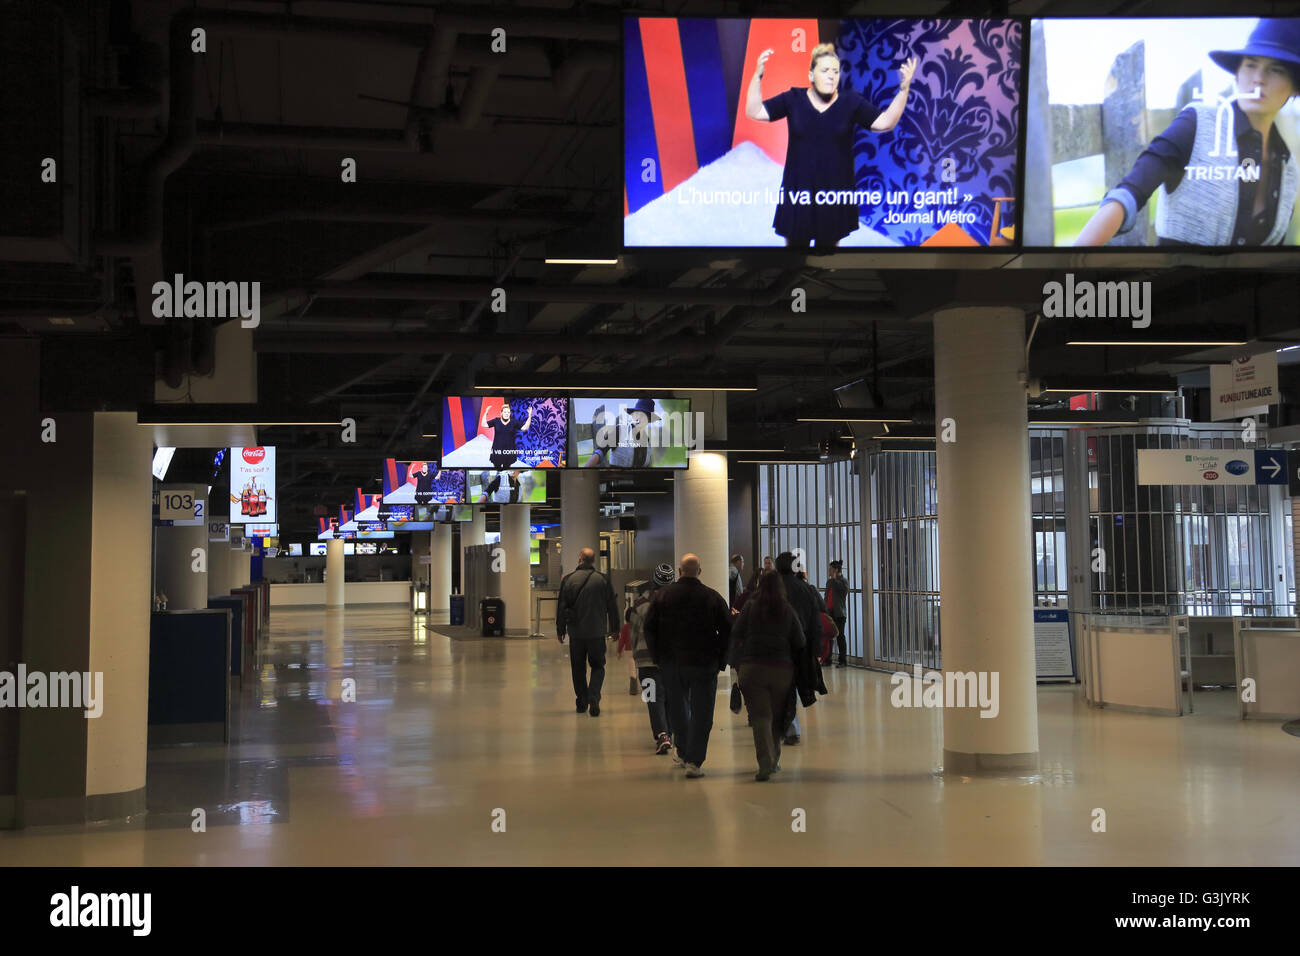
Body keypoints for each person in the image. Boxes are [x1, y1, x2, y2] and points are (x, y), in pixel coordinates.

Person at [1073, 19, 1300, 247]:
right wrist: (1073, 261)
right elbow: (1129, 194)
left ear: (1295, 88)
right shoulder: (1197, 123)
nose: (1259, 78)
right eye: (1251, 65)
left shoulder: (1289, 169)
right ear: (1237, 74)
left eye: (1276, 70)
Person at [745, 43, 917, 249]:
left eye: (835, 71)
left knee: (826, 263)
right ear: (811, 75)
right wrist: (757, 76)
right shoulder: (793, 99)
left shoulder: (851, 102)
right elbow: (754, 112)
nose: (831, 76)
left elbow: (886, 122)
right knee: (793, 260)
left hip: (835, 196)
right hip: (799, 195)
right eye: (825, 70)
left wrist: (904, 89)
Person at [643, 553, 731, 778]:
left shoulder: (663, 596)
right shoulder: (712, 597)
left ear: (680, 571)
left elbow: (649, 627)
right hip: (704, 664)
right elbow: (727, 630)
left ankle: (682, 751)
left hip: (672, 663)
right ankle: (694, 761)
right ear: (699, 571)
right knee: (703, 713)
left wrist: (657, 657)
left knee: (678, 709)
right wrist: (721, 660)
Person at [729, 570, 806, 780]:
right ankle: (774, 761)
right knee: (777, 717)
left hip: (752, 668)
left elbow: (736, 632)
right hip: (781, 669)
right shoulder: (787, 609)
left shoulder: (751, 606)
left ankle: (765, 763)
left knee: (760, 717)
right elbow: (800, 640)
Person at [555, 547, 620, 717]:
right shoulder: (603, 580)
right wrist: (615, 628)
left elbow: (562, 606)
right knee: (598, 666)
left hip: (576, 634)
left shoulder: (568, 580)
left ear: (579, 559)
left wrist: (560, 629)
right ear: (593, 561)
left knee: (578, 668)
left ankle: (582, 701)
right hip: (597, 633)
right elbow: (612, 607)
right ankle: (594, 696)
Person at [623, 563, 676, 755]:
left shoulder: (640, 604)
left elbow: (634, 633)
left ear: (653, 581)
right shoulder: (677, 603)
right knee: (671, 697)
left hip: (646, 660)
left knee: (653, 698)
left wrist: (637, 655)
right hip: (671, 660)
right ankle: (671, 732)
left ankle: (662, 735)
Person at [775, 552, 827, 745]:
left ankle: (789, 727)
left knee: (784, 687)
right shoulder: (806, 589)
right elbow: (816, 621)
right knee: (795, 684)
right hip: (803, 645)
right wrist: (817, 650)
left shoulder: (774, 590)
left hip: (780, 646)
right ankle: (791, 727)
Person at [481, 400, 533, 470]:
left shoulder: (514, 422)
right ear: (501, 413)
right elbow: (483, 424)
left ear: (510, 414)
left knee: (506, 471)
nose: (506, 414)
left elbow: (525, 428)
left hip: (509, 451)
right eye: (505, 412)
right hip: (497, 451)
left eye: (508, 412)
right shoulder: (496, 421)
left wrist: (529, 416)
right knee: (498, 471)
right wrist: (486, 412)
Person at [826, 560, 849, 667]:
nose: (829, 571)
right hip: (829, 612)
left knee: (840, 637)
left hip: (839, 613)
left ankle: (843, 660)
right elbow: (827, 597)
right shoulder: (829, 582)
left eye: (830, 569)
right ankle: (827, 658)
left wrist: (835, 578)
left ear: (835, 570)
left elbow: (843, 590)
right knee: (829, 636)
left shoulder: (843, 581)